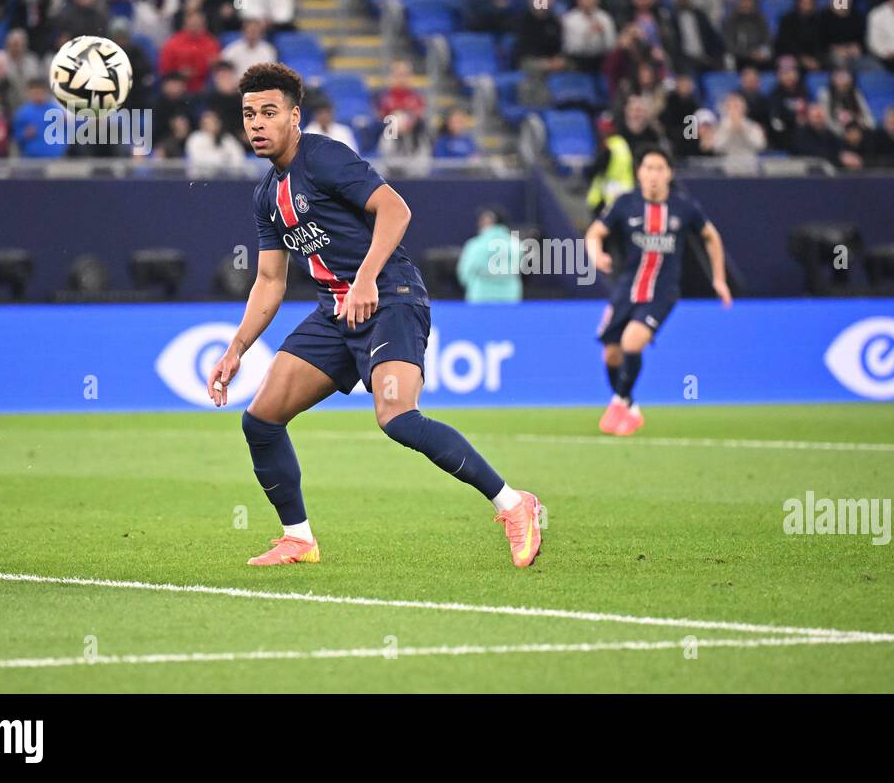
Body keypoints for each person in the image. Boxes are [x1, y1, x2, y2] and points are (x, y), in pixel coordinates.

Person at [207, 63, 544, 568]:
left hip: (390, 296)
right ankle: (298, 538)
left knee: (397, 417)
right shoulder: (264, 197)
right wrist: (235, 350)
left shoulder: (324, 157)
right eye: (249, 114)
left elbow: (396, 210)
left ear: (295, 117)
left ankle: (515, 504)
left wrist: (365, 277)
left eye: (269, 112)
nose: (256, 123)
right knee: (261, 420)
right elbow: (271, 282)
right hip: (335, 313)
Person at [584, 146, 731, 437]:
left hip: (662, 291)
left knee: (632, 342)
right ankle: (630, 406)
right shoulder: (625, 203)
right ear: (639, 173)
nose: (653, 175)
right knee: (611, 355)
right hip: (627, 288)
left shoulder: (683, 208)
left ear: (669, 174)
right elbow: (594, 233)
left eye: (659, 169)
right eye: (648, 168)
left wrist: (719, 278)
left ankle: (617, 403)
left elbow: (711, 236)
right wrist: (595, 255)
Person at [456, 207, 523, 303]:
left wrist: (473, 285)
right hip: (511, 296)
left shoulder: (475, 245)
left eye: (482, 220)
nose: (479, 223)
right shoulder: (516, 244)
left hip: (480, 297)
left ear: (490, 221)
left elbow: (465, 273)